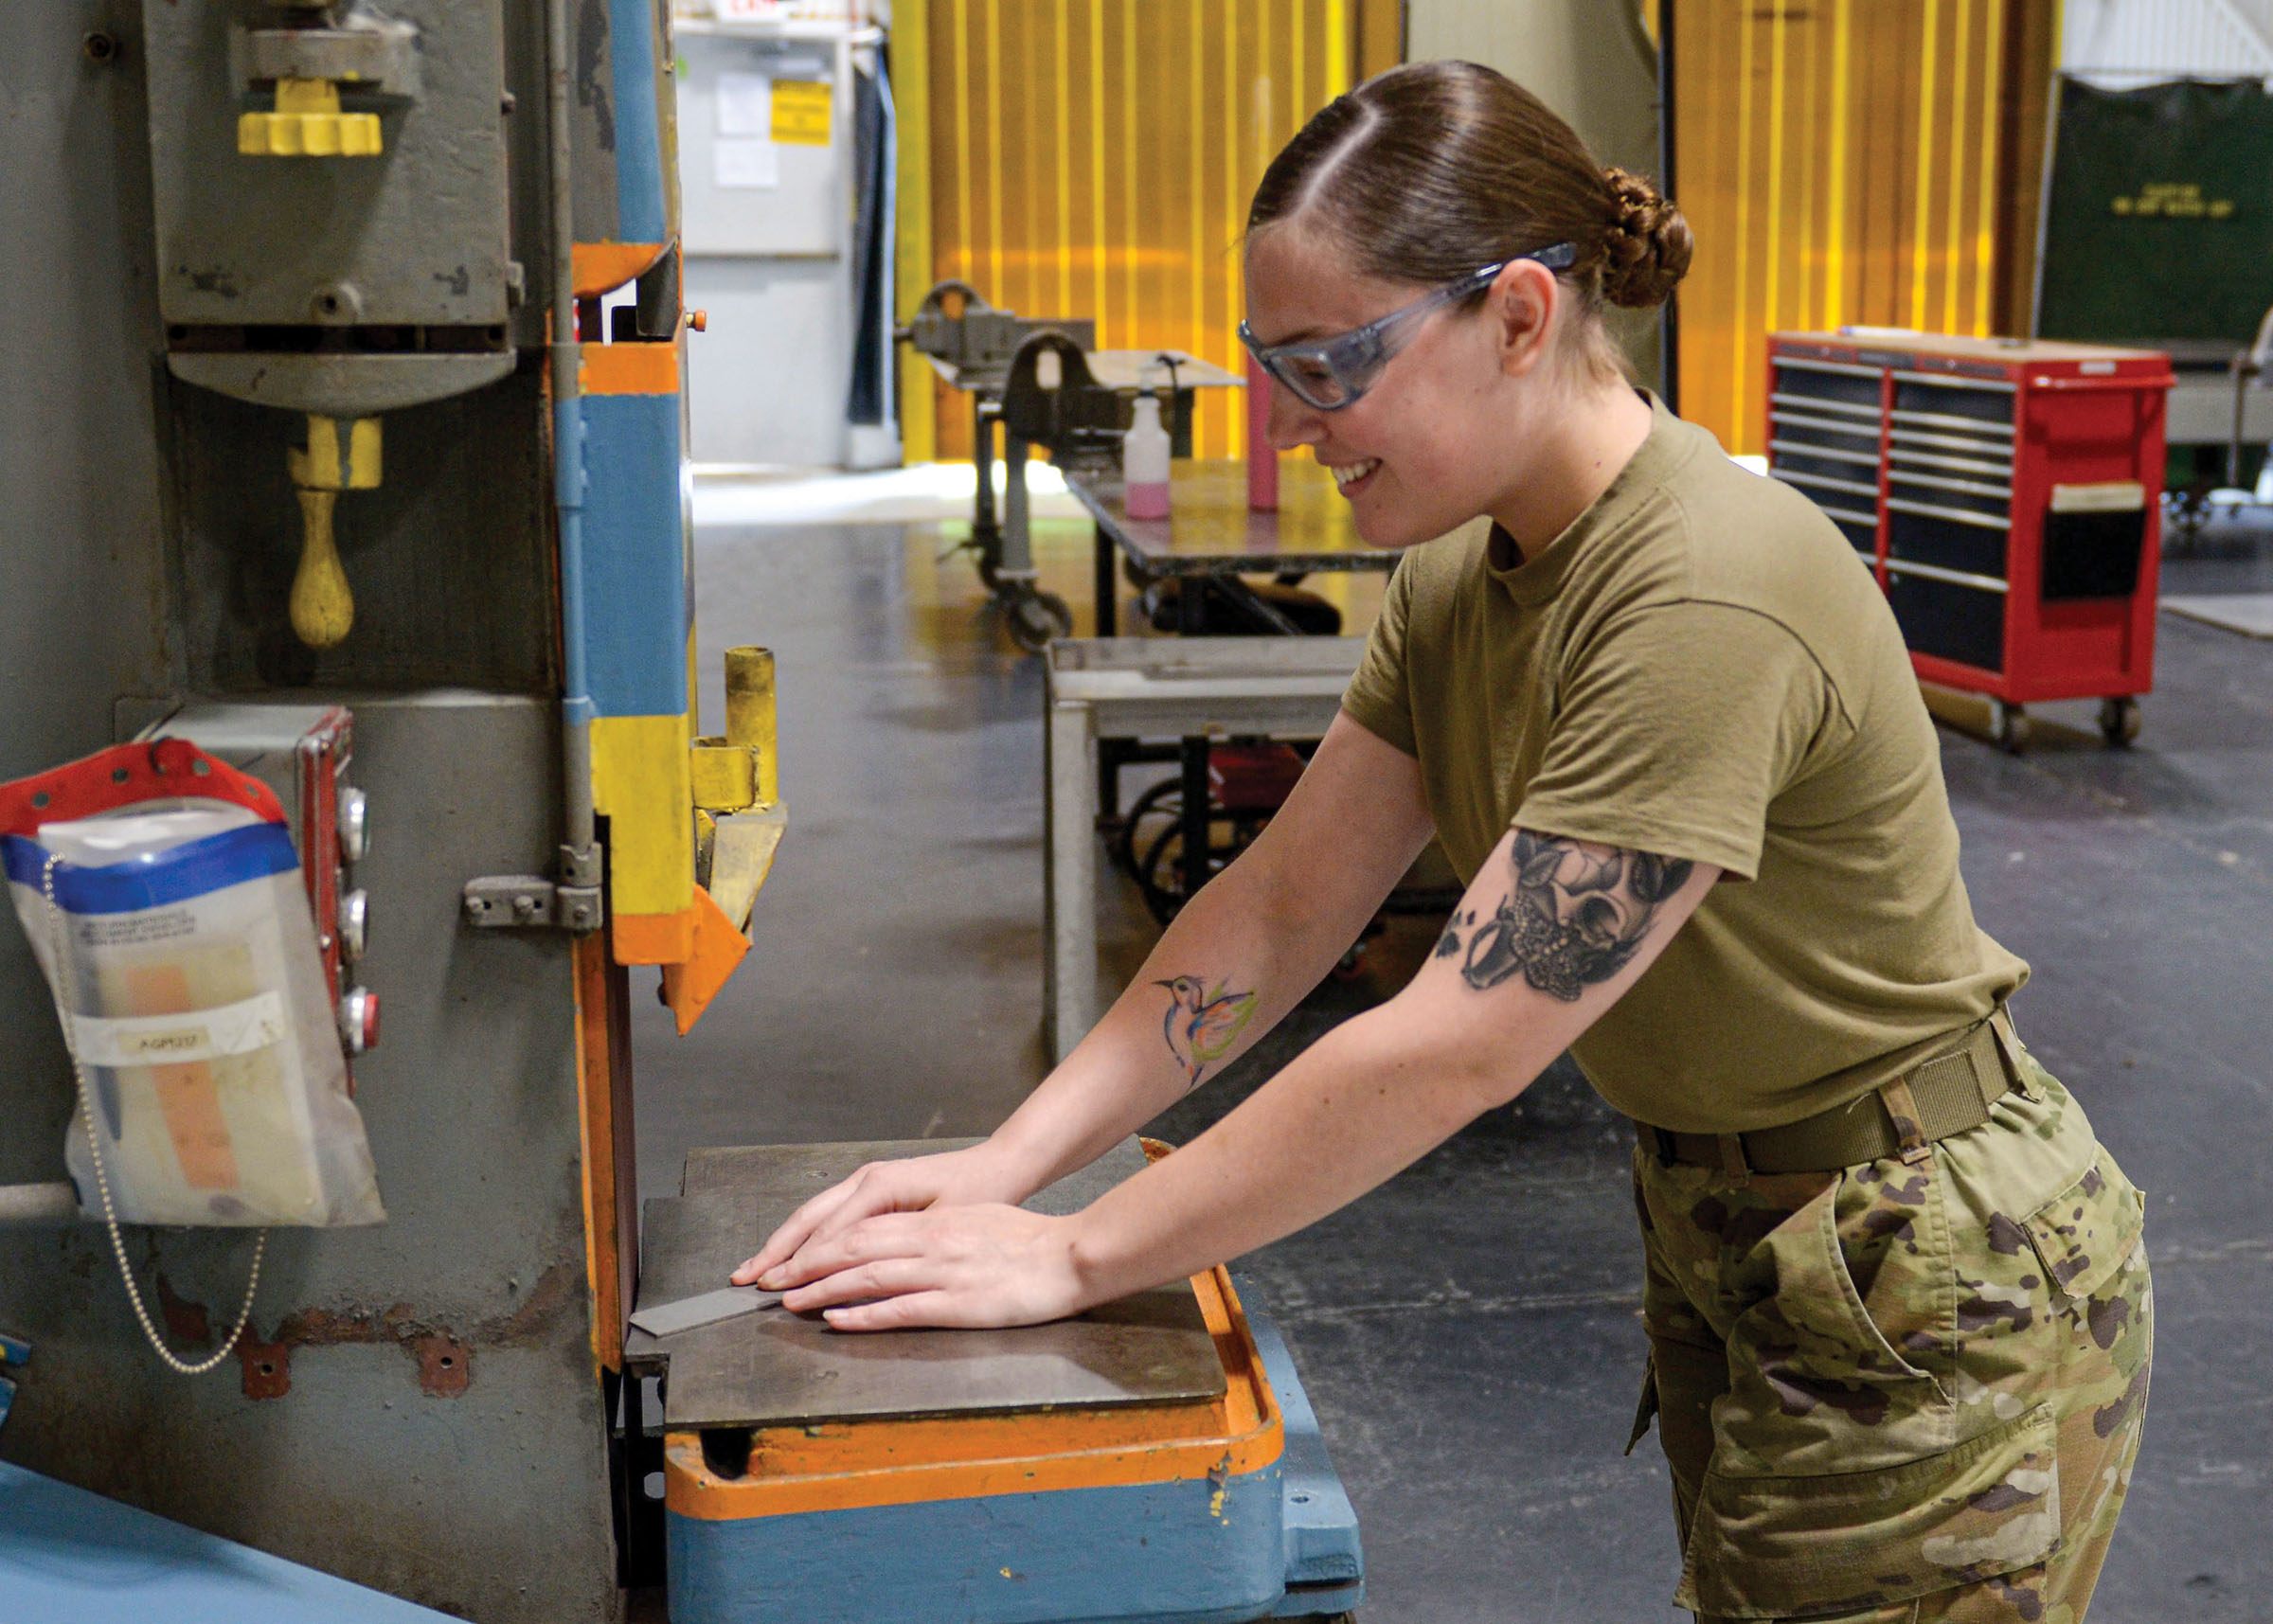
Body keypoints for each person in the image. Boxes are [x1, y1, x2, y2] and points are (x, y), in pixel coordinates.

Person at [733, 61, 2151, 1623]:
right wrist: (1007, 1168)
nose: (1295, 420)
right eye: (1273, 364)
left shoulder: (1698, 594)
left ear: (1522, 316)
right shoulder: (1467, 576)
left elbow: (1457, 1045)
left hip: (1924, 1248)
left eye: (1334, 363)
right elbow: (1280, 908)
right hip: (1735, 1213)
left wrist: (1074, 1257)